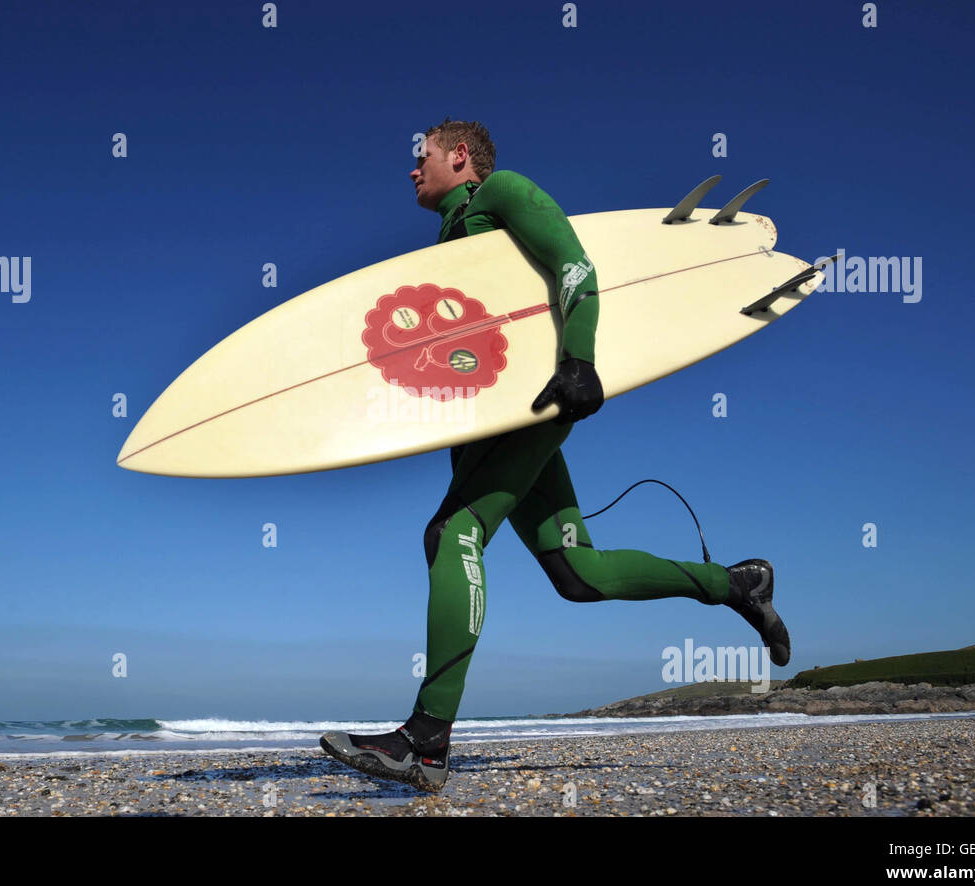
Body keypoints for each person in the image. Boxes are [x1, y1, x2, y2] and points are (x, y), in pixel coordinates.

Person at [320, 118, 790, 792]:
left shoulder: (501, 193)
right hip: (491, 423)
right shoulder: (450, 239)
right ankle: (738, 585)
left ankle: (425, 741)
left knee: (452, 533)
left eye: (419, 155)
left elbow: (573, 261)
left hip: (541, 399)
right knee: (577, 573)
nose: (411, 168)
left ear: (460, 156)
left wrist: (579, 359)